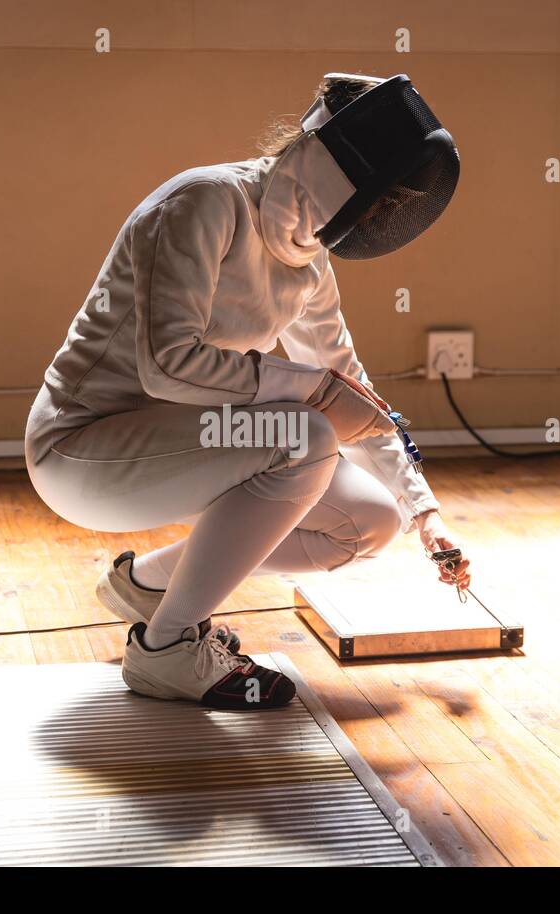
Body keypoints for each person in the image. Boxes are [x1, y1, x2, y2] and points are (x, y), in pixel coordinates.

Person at [25, 72, 470, 709]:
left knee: (372, 521)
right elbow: (166, 365)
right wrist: (309, 388)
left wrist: (424, 512)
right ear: (337, 169)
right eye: (377, 198)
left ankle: (147, 588)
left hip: (195, 440)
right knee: (305, 435)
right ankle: (167, 650)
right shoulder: (203, 203)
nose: (376, 218)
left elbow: (354, 388)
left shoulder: (308, 260)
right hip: (85, 447)